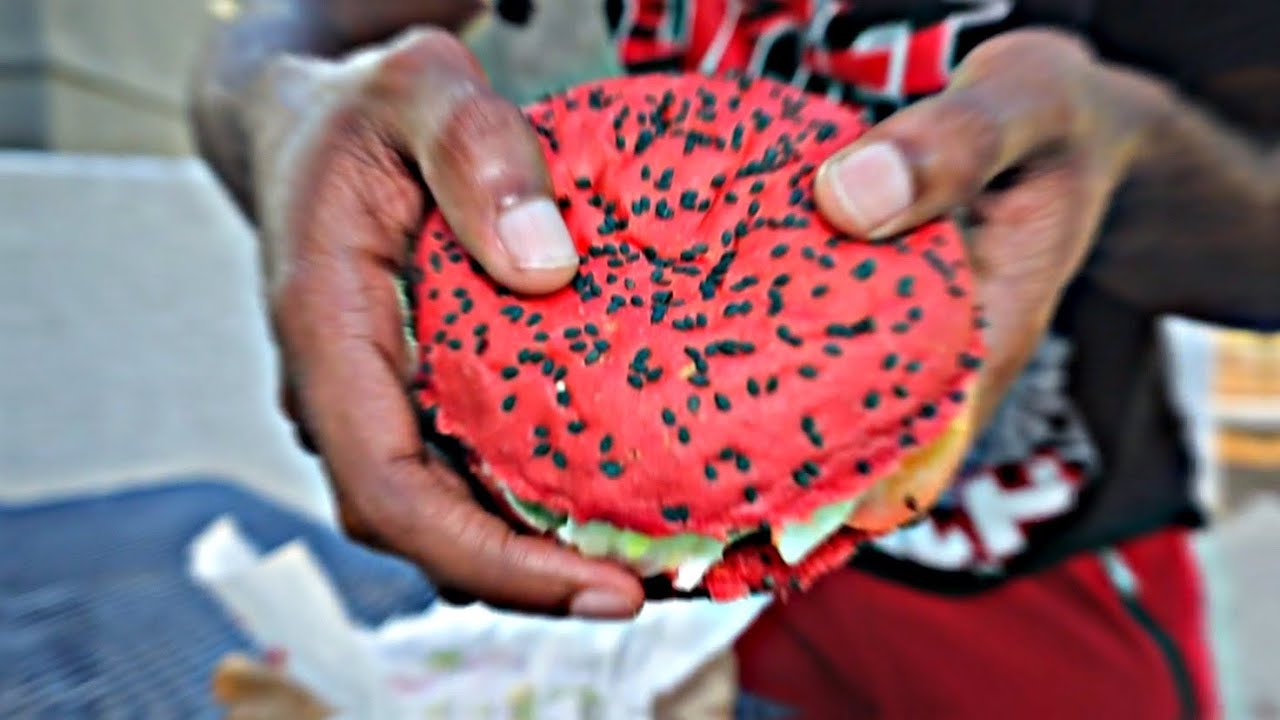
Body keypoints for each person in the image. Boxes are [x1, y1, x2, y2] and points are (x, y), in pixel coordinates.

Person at [190, 1, 1278, 716]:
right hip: (685, 580)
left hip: (1032, 575)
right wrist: (281, 108)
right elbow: (278, 37)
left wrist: (1130, 152)